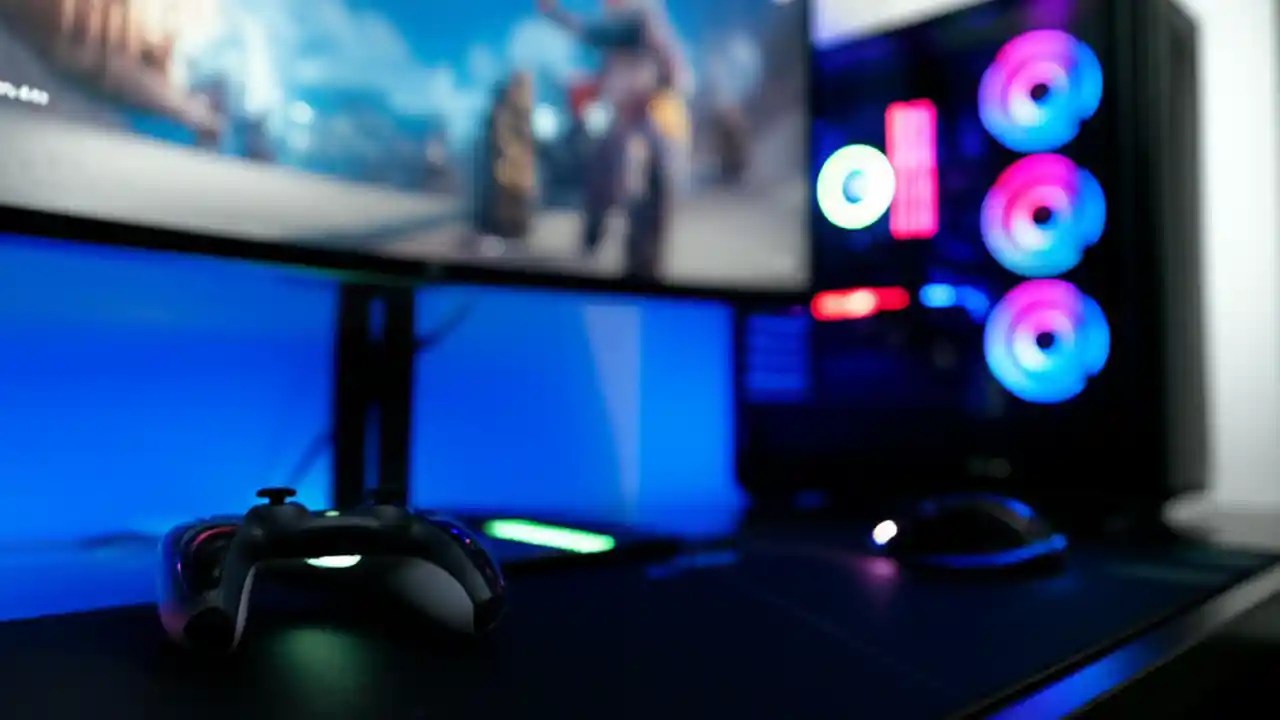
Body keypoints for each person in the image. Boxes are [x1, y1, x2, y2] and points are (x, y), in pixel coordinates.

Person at [538, 0, 688, 281]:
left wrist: (556, 14)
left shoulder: (640, 18)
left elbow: (597, 33)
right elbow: (606, 71)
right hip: (626, 117)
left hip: (653, 117)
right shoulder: (623, 33)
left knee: (645, 192)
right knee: (602, 174)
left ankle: (642, 269)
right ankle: (593, 244)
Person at [476, 72, 537, 242]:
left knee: (515, 215)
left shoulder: (525, 116)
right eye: (518, 86)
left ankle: (514, 232)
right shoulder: (500, 115)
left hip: (519, 176)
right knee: (504, 211)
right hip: (505, 175)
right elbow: (500, 143)